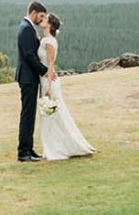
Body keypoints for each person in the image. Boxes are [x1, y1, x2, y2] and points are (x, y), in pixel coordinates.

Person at [38, 12, 96, 161]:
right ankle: (52, 146)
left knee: (54, 114)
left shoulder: (49, 42)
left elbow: (50, 63)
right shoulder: (45, 39)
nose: (42, 20)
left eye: (45, 19)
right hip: (44, 80)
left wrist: (49, 86)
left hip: (49, 81)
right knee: (50, 115)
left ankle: (59, 147)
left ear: (49, 24)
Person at [15, 0, 48, 162]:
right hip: (28, 78)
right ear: (33, 12)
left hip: (29, 77)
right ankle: (23, 152)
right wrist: (44, 70)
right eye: (41, 16)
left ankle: (30, 148)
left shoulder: (28, 28)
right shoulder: (27, 29)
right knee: (27, 115)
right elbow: (29, 55)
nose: (41, 20)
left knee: (30, 114)